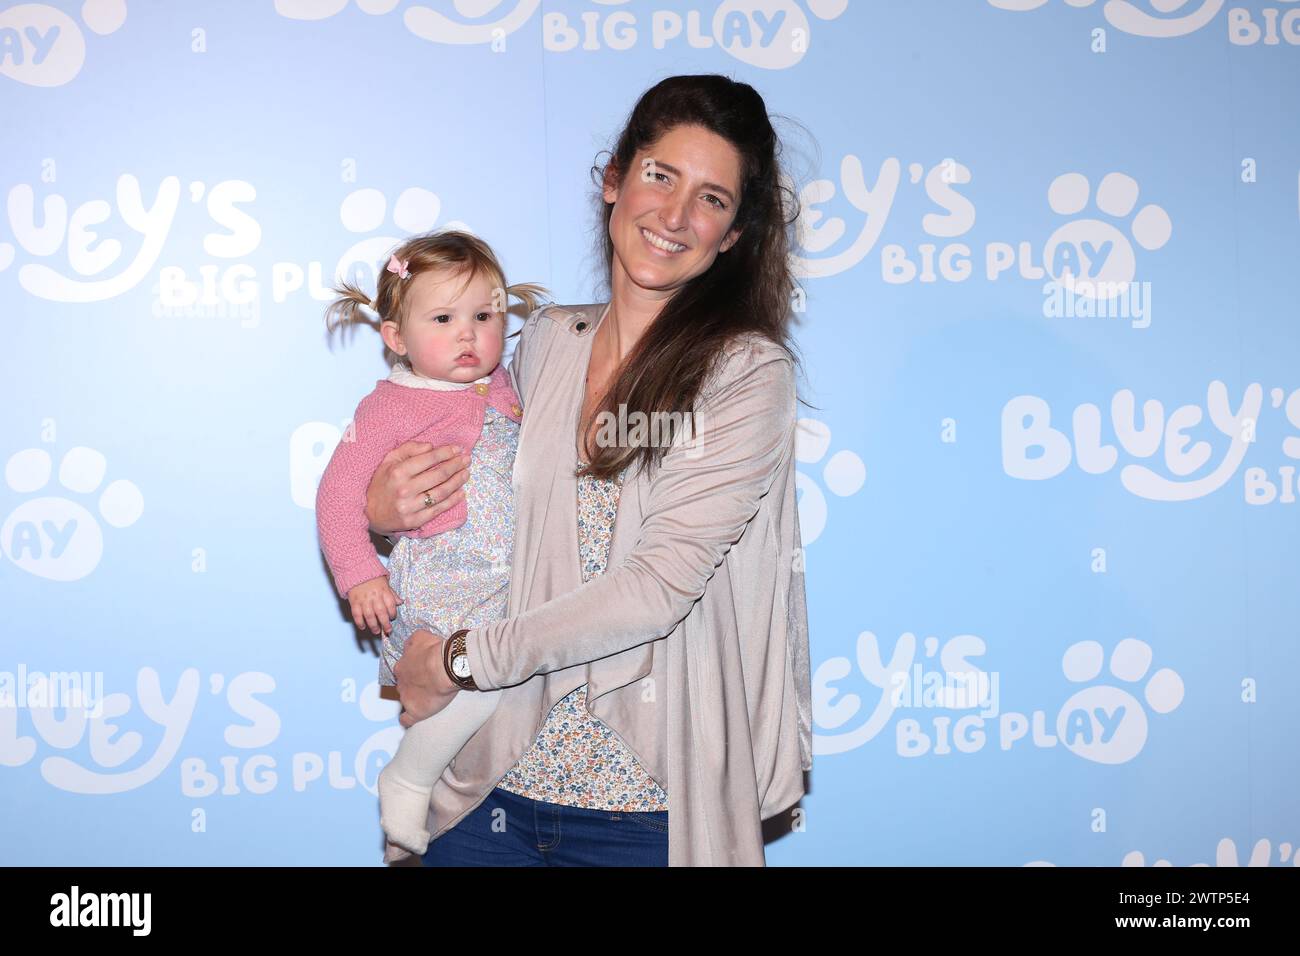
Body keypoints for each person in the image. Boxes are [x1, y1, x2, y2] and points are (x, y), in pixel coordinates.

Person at [365, 74, 814, 866]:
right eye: (659, 175)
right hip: (488, 792)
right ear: (614, 180)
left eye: (711, 199)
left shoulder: (745, 373)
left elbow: (656, 586)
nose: (675, 216)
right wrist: (384, 504)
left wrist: (460, 659)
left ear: (734, 234)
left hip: (644, 811)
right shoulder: (543, 341)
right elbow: (469, 521)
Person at [315, 230, 545, 861]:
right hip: (438, 582)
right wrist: (362, 574)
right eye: (443, 319)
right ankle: (409, 778)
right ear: (397, 337)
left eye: (483, 316)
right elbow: (336, 497)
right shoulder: (389, 405)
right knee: (488, 676)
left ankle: (426, 792)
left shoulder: (510, 392)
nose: (468, 335)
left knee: (507, 675)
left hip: (503, 589)